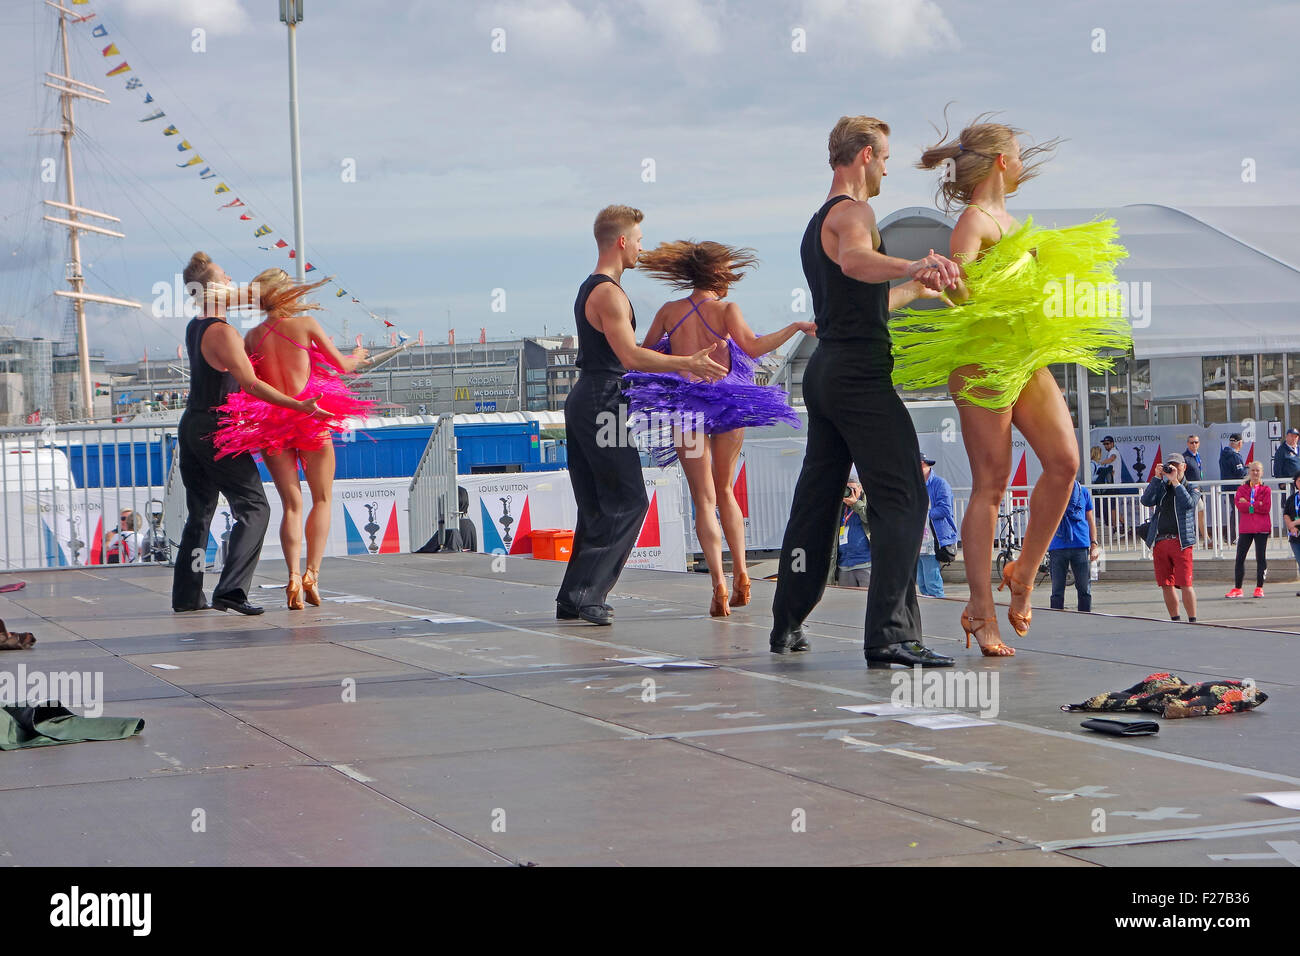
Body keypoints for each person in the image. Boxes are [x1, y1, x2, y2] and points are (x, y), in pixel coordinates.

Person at [891, 114, 1130, 655]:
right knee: (991, 485)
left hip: (1024, 358)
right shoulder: (972, 223)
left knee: (1065, 462)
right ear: (1002, 161)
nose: (1024, 161)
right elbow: (960, 293)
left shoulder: (1014, 222)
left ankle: (1023, 570)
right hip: (981, 362)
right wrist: (968, 285)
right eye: (1018, 153)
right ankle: (980, 608)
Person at [769, 115, 961, 666]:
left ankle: (786, 621)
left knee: (816, 501)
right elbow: (857, 260)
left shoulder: (816, 224)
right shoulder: (854, 212)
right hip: (858, 377)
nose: (886, 171)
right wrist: (913, 260)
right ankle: (891, 635)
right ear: (864, 157)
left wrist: (912, 287)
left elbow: (864, 296)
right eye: (885, 159)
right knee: (905, 495)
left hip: (828, 371)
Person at [621, 241, 813, 616]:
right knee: (726, 490)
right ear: (718, 273)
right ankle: (742, 572)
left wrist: (679, 362)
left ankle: (718, 585)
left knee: (703, 499)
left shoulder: (669, 311)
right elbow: (754, 348)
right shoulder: (726, 310)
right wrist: (795, 326)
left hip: (685, 407)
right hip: (727, 402)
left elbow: (644, 357)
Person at [556, 206, 727, 626]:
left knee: (597, 505)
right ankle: (590, 595)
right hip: (603, 401)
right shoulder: (609, 293)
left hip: (590, 398)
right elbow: (629, 356)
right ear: (620, 242)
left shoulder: (590, 288)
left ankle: (574, 596)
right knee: (630, 499)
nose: (641, 247)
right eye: (638, 239)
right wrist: (688, 363)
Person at [171, 252, 330, 615]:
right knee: (255, 507)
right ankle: (231, 591)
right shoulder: (223, 333)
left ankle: (186, 596)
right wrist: (299, 405)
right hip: (213, 429)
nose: (232, 282)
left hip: (192, 425)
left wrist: (266, 295)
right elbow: (253, 385)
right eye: (225, 277)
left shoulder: (196, 325)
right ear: (213, 289)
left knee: (200, 512)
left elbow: (244, 297)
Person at [212, 268, 373, 609]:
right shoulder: (306, 325)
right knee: (323, 499)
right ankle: (313, 574)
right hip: (310, 417)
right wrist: (359, 356)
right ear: (289, 294)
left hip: (272, 425)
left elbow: (250, 383)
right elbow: (343, 366)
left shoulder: (252, 336)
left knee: (291, 505)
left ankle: (292, 577)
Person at [1141, 452, 1200, 623]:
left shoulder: (1191, 487)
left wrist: (1175, 481)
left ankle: (1192, 620)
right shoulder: (1162, 486)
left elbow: (1189, 504)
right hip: (1160, 541)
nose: (1173, 468)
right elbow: (1146, 501)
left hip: (1181, 542)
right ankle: (1175, 619)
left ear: (1184, 467)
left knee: (1185, 583)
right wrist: (1156, 478)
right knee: (1166, 584)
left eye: (1176, 465)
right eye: (1170, 465)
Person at [1048, 480, 1098, 612]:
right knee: (1057, 590)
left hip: (1080, 544)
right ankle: (1056, 619)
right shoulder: (1051, 492)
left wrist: (1094, 544)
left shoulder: (1083, 491)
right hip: (1057, 545)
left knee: (1084, 589)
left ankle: (1085, 618)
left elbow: (1090, 519)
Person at [1227, 460, 1271, 598]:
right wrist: (1256, 504)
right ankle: (1238, 588)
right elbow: (1240, 506)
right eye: (1253, 470)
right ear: (1249, 472)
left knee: (1260, 557)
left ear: (1262, 473)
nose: (1255, 473)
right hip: (1246, 528)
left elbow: (1266, 507)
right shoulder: (1242, 489)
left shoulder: (1266, 489)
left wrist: (1249, 504)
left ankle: (1259, 587)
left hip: (1262, 528)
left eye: (1258, 470)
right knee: (1240, 557)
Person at [917, 455, 957, 598]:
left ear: (921, 464)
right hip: (918, 540)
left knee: (932, 582)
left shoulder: (939, 483)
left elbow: (946, 509)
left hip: (932, 539)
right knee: (922, 583)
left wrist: (923, 512)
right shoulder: (916, 484)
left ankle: (939, 609)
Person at [836, 478, 871, 588]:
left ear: (860, 488)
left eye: (853, 489)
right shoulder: (840, 507)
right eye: (847, 489)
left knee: (868, 601)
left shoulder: (869, 501)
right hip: (845, 565)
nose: (850, 492)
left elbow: (872, 519)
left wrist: (856, 503)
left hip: (866, 563)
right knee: (848, 603)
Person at [1219, 432, 1247, 538]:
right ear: (1239, 443)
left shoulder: (1224, 455)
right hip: (1235, 489)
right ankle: (1233, 536)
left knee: (1235, 511)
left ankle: (1231, 535)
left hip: (1228, 488)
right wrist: (1247, 469)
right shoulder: (1234, 456)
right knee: (1237, 511)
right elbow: (1239, 473)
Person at [1182, 434, 1209, 547]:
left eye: (1196, 442)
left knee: (1200, 513)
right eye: (1192, 442)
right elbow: (1181, 475)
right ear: (1188, 444)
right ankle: (1205, 539)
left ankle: (1206, 539)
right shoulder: (1184, 458)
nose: (1194, 444)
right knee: (1193, 514)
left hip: (1198, 490)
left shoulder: (1197, 456)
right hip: (1190, 490)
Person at [1281, 475, 1300, 595]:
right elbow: (1286, 513)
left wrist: (1294, 522)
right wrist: (1291, 526)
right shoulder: (1292, 498)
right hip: (1295, 536)